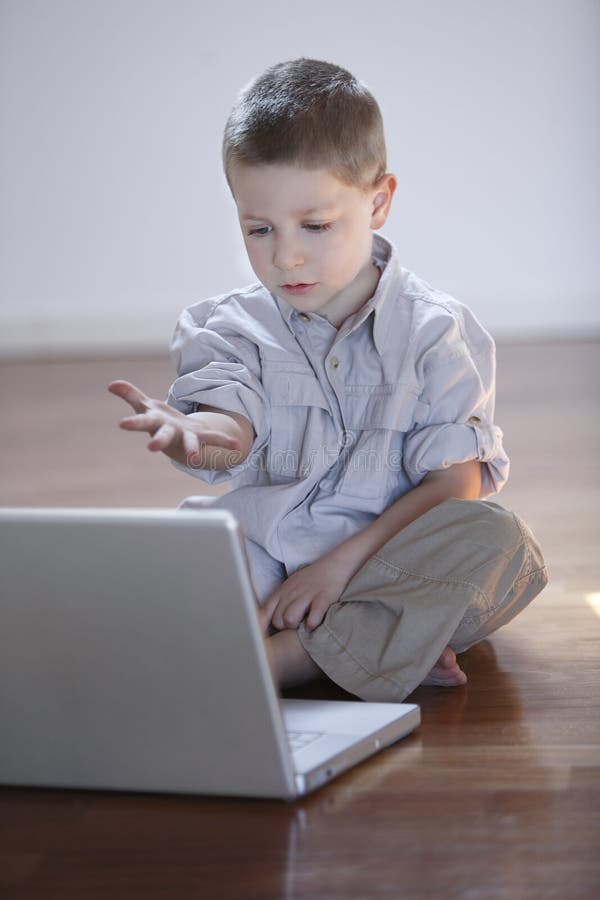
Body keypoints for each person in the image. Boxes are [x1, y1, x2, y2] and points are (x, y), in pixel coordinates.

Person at [109, 58, 548, 701]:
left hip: (389, 562)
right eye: (259, 229)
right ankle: (386, 647)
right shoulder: (228, 325)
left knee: (497, 540)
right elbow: (231, 420)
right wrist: (195, 434)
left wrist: (339, 570)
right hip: (267, 563)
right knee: (164, 560)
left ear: (378, 201)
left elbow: (458, 482)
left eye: (314, 227)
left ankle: (290, 660)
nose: (285, 256)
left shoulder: (436, 332)